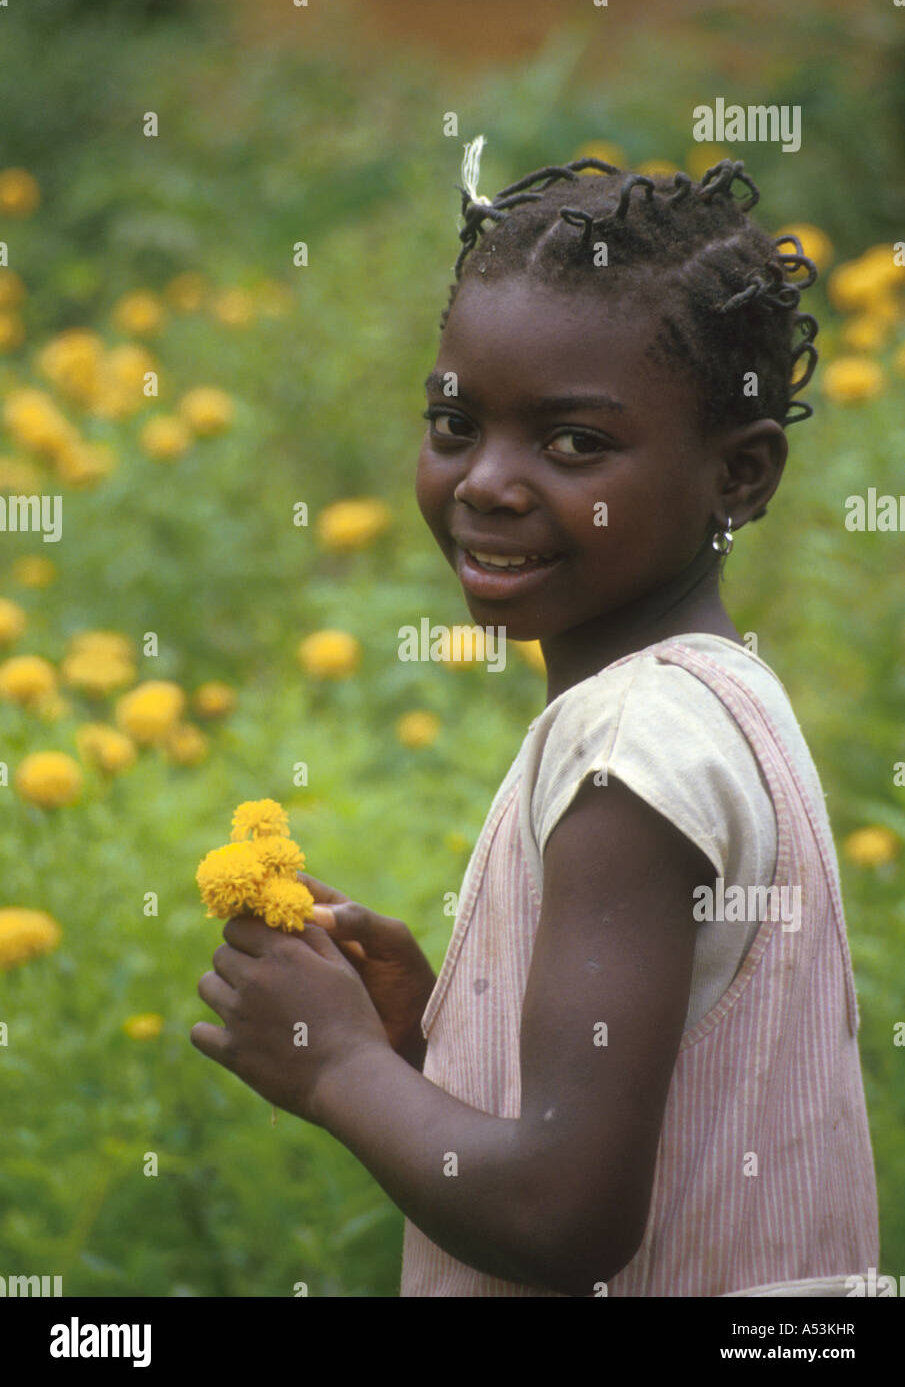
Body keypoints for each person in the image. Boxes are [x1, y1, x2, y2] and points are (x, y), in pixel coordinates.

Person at [191, 142, 880, 1297]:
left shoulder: (629, 749)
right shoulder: (720, 700)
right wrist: (426, 1047)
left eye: (572, 443)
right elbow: (634, 1135)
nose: (486, 482)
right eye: (455, 424)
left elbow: (562, 1217)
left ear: (740, 475)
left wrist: (340, 1069)